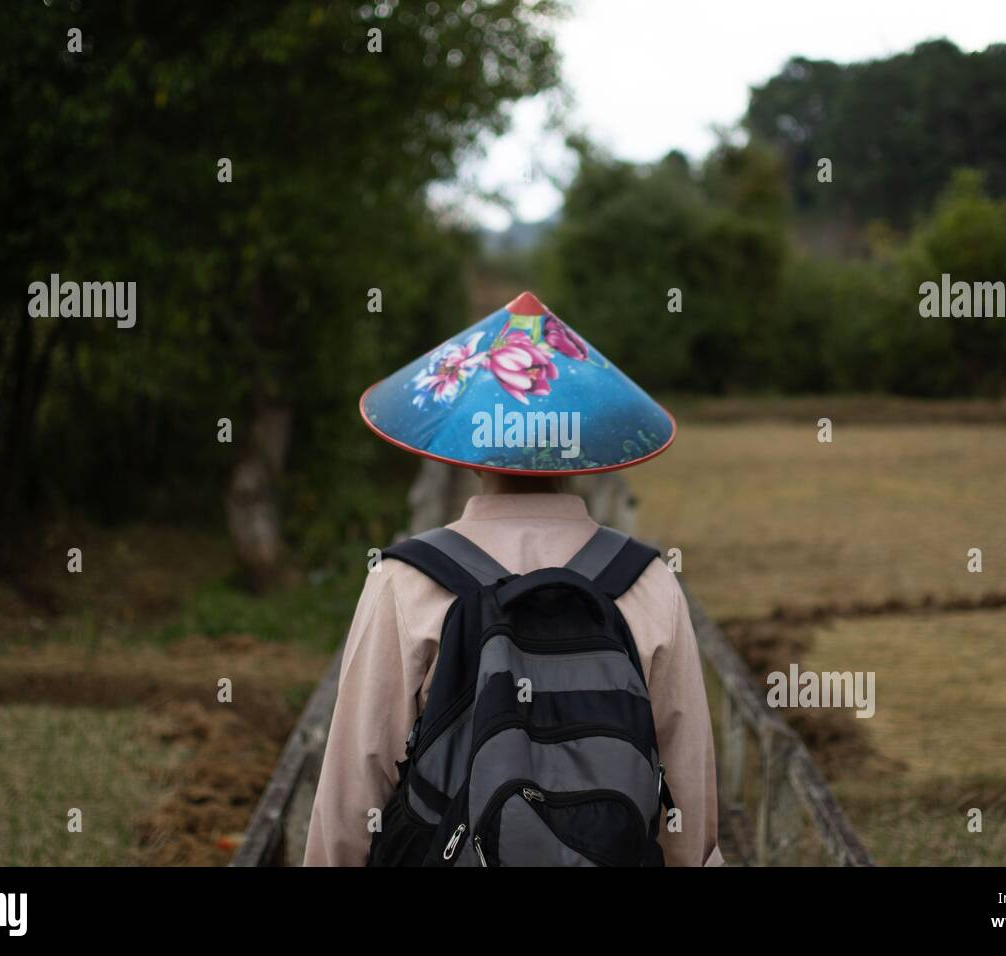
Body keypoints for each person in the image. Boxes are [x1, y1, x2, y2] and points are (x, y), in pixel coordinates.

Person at [304, 292, 724, 866]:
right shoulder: (647, 580)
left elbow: (355, 783)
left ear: (466, 450)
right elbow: (687, 792)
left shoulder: (405, 580)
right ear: (583, 451)